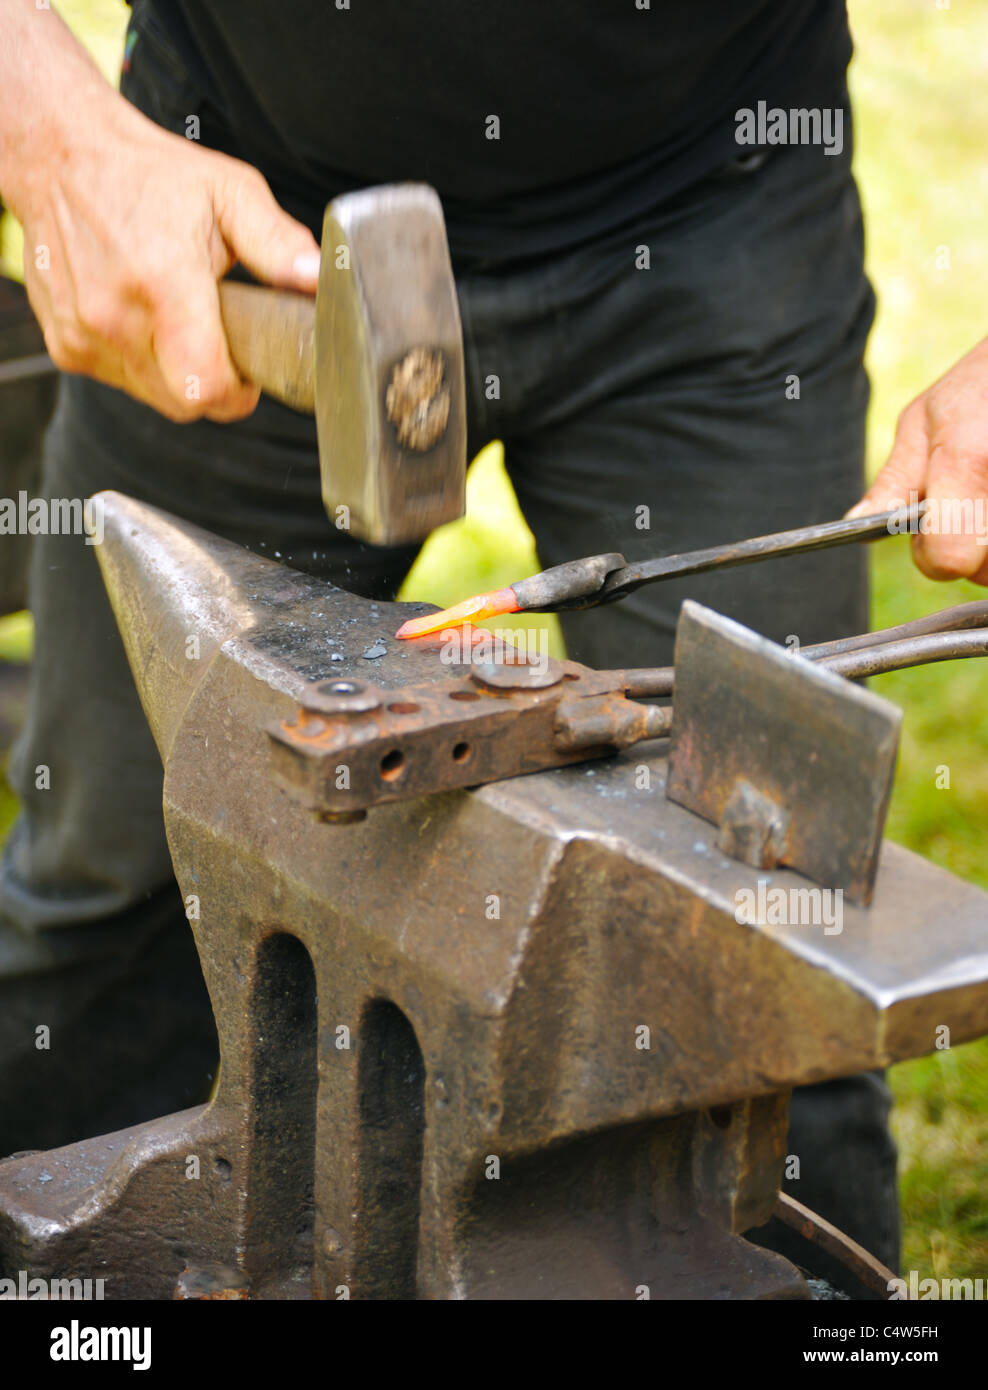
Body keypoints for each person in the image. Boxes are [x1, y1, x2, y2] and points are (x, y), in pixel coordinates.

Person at [0, 0, 984, 1282]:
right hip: (247, 215)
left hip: (714, 202)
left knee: (774, 938)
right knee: (103, 894)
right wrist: (48, 128)